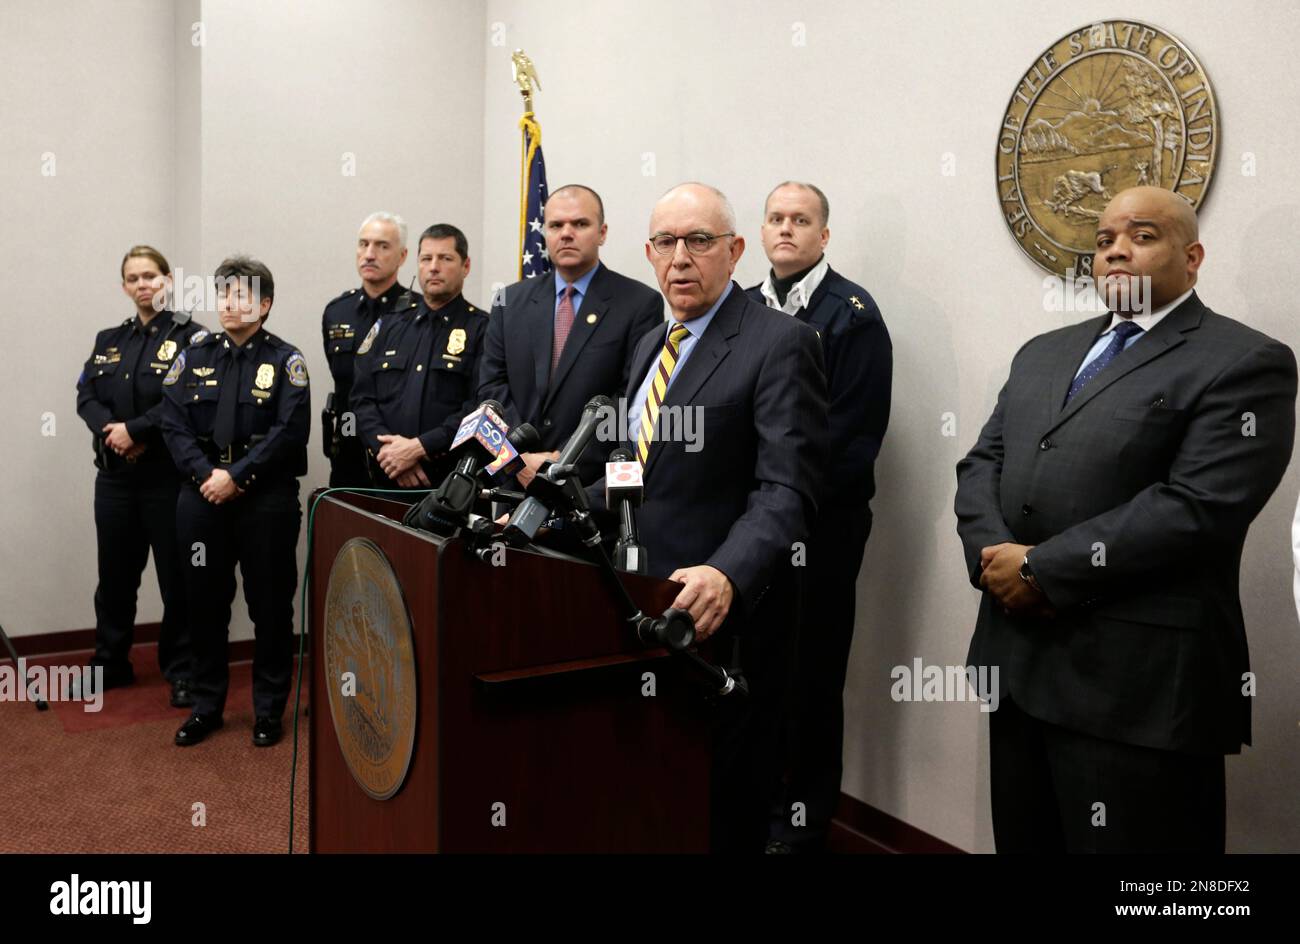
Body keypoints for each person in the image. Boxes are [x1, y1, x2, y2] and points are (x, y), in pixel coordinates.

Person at [955, 186, 1297, 852]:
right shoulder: (1042, 353)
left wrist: (1041, 569)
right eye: (1104, 239)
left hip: (1138, 690)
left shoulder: (1244, 362)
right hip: (1020, 664)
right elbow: (981, 466)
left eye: (1142, 236)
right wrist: (995, 557)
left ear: (1192, 258)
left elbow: (1198, 507)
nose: (1115, 250)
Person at [590, 182, 827, 852]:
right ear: (648, 253)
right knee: (651, 796)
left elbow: (788, 490)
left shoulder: (781, 342)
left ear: (734, 251)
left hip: (723, 626)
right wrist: (549, 508)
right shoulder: (649, 344)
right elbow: (632, 468)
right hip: (638, 602)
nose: (681, 258)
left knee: (721, 812)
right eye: (666, 242)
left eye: (699, 241)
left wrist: (727, 573)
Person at [745, 181, 893, 853]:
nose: (786, 229)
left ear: (823, 235)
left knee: (809, 677)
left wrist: (778, 505)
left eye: (800, 220)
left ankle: (801, 825)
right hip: (748, 526)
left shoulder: (853, 316)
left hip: (819, 531)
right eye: (776, 218)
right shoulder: (744, 308)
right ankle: (754, 808)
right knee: (755, 673)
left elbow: (850, 439)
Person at [161, 256, 311, 748]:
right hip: (202, 495)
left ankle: (268, 710)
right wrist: (209, 476)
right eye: (223, 294)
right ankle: (207, 707)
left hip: (264, 497)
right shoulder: (193, 354)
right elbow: (172, 423)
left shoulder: (287, 361)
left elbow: (290, 433)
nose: (229, 303)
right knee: (203, 604)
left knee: (269, 606)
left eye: (242, 295)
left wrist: (238, 477)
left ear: (264, 304)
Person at [75, 245, 208, 707]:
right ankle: (110, 664)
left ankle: (182, 671)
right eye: (133, 278)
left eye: (151, 276)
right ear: (124, 286)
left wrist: (135, 429)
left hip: (166, 481)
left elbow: (182, 401)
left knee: (176, 580)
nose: (142, 285)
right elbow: (86, 396)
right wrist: (113, 433)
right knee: (113, 577)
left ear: (168, 280)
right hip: (114, 481)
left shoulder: (194, 339)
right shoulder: (109, 339)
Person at [477, 184, 663, 488]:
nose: (566, 233)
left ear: (602, 233)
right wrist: (516, 459)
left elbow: (629, 400)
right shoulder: (508, 301)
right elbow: (490, 387)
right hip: (513, 478)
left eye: (580, 224)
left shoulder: (640, 303)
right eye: (556, 225)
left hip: (587, 484)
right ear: (545, 233)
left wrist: (564, 458)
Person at [351, 224, 487, 488]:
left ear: (466, 266)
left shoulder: (484, 329)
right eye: (426, 258)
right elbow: (361, 398)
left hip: (449, 483)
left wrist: (419, 448)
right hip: (385, 476)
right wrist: (391, 454)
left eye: (445, 258)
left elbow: (480, 407)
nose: (433, 267)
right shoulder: (389, 325)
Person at [321, 212, 410, 487]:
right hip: (348, 450)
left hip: (397, 454)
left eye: (382, 246)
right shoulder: (337, 311)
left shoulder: (415, 312)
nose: (369, 254)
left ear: (403, 256)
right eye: (363, 244)